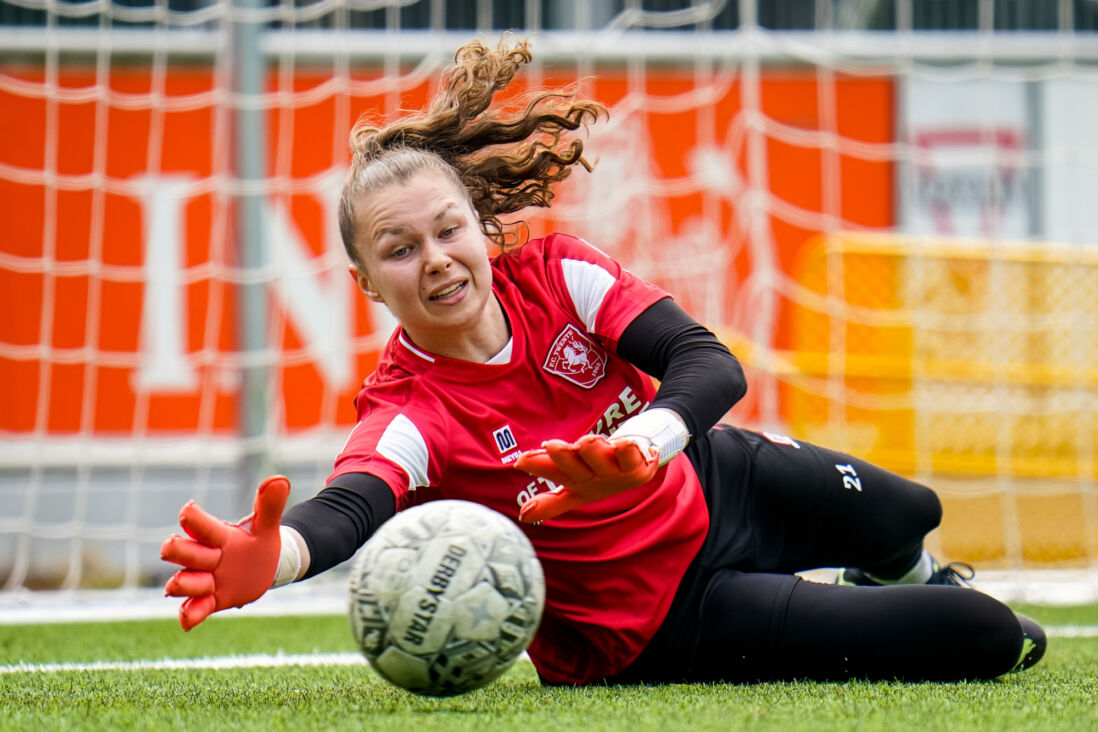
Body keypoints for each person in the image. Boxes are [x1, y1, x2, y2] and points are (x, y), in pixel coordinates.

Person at [161, 38, 1045, 685]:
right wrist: (273, 559)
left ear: (480, 225)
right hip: (659, 621)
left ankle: (880, 574)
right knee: (985, 634)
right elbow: (349, 507)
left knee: (911, 511)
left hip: (709, 480)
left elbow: (709, 364)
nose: (434, 258)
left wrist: (645, 445)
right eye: (399, 250)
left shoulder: (557, 274)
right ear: (365, 283)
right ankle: (861, 604)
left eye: (447, 229)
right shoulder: (408, 417)